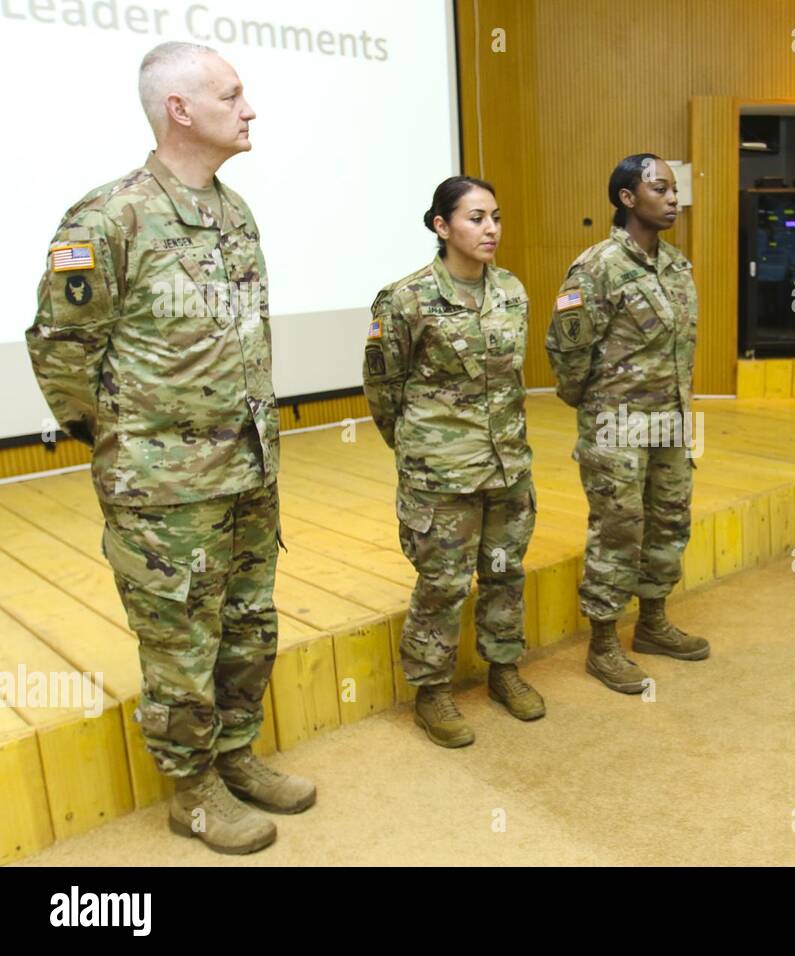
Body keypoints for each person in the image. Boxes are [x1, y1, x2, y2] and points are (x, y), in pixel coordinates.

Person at [25, 42, 313, 855]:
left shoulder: (235, 211)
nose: (249, 109)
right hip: (164, 493)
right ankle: (191, 792)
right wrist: (130, 445)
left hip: (251, 471)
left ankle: (234, 756)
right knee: (181, 646)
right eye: (232, 96)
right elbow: (61, 352)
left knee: (249, 627)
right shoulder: (106, 219)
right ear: (179, 110)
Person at [363, 176, 542, 748]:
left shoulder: (512, 291)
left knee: (504, 574)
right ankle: (431, 690)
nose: (490, 229)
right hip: (440, 473)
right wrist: (423, 448)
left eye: (495, 217)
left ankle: (503, 670)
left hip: (507, 465)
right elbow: (382, 387)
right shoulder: (405, 299)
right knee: (441, 583)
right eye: (474, 218)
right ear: (441, 227)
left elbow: (513, 379)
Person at [545, 154, 709, 694]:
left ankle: (654, 622)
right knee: (618, 530)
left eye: (674, 189)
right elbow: (567, 353)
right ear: (625, 198)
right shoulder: (595, 268)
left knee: (668, 522)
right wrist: (594, 410)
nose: (672, 198)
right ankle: (603, 642)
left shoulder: (677, 265)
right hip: (616, 426)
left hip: (671, 422)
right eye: (659, 188)